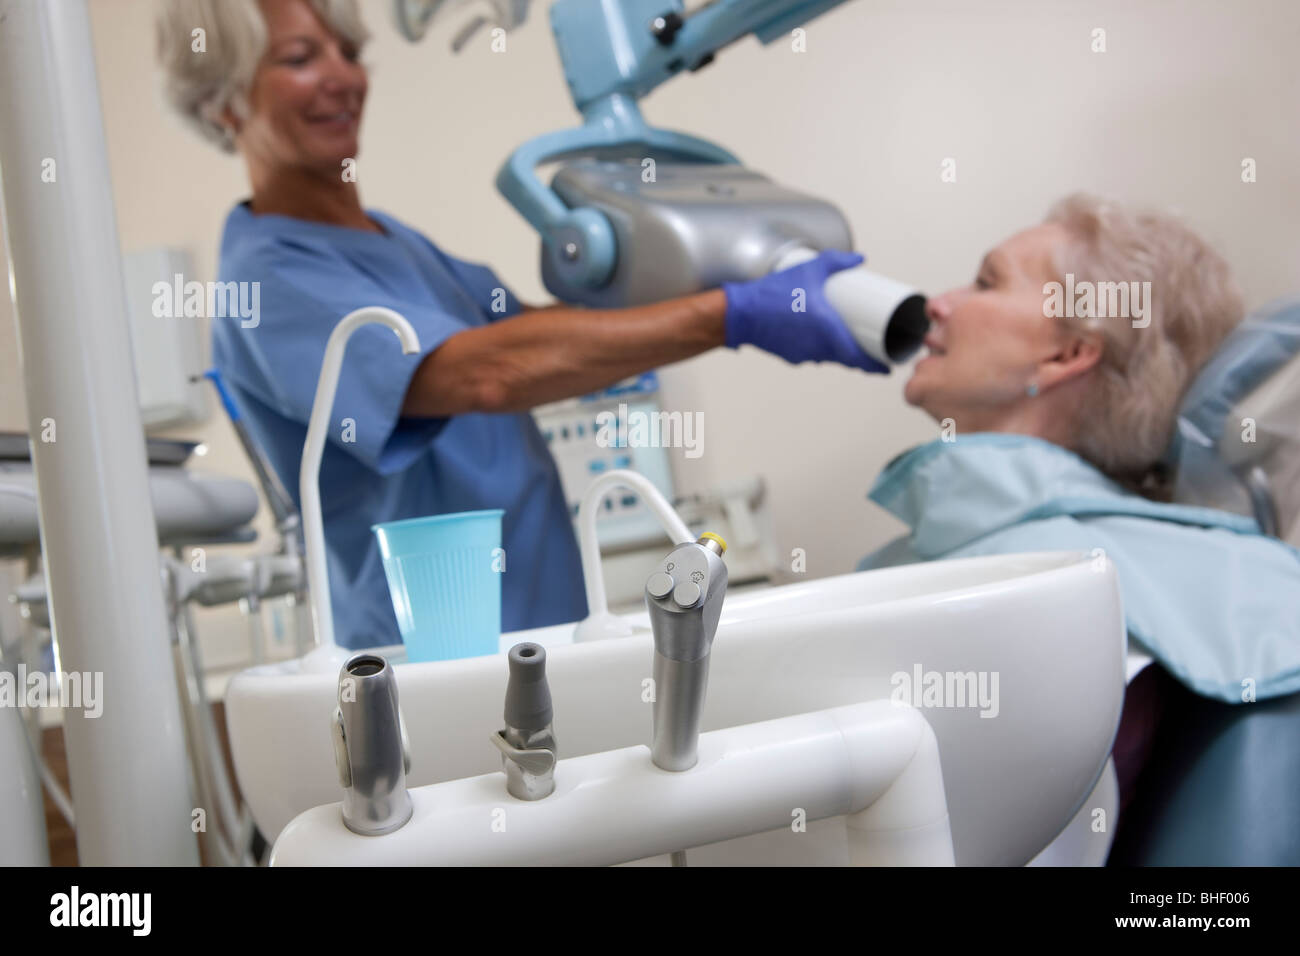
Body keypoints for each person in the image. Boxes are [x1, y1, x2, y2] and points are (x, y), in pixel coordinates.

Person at [154, 0, 881, 649]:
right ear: (222, 101)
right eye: (300, 58)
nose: (343, 78)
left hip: (541, 624)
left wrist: (715, 269)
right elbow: (484, 372)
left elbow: (535, 336)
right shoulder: (269, 280)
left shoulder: (391, 243)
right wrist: (731, 316)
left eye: (348, 52)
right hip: (436, 664)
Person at [858, 193, 1300, 707]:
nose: (938, 303)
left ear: (1066, 355)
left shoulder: (1043, 577)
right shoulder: (1229, 576)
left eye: (986, 281)